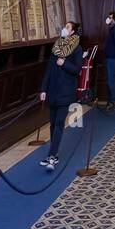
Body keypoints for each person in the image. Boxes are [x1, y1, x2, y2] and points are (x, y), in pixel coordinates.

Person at [38, 20, 83, 169]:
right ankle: (53, 154)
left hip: (66, 91)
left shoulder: (77, 48)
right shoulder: (56, 47)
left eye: (67, 27)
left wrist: (64, 64)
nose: (64, 29)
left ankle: (52, 155)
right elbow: (49, 70)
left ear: (72, 32)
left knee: (58, 123)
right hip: (52, 91)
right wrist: (43, 89)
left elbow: (77, 70)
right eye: (64, 26)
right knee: (52, 124)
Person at [103, 11, 115, 112]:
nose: (108, 19)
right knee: (108, 80)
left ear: (114, 19)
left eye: (110, 17)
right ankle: (109, 101)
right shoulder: (112, 28)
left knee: (111, 81)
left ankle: (112, 102)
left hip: (111, 57)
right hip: (108, 56)